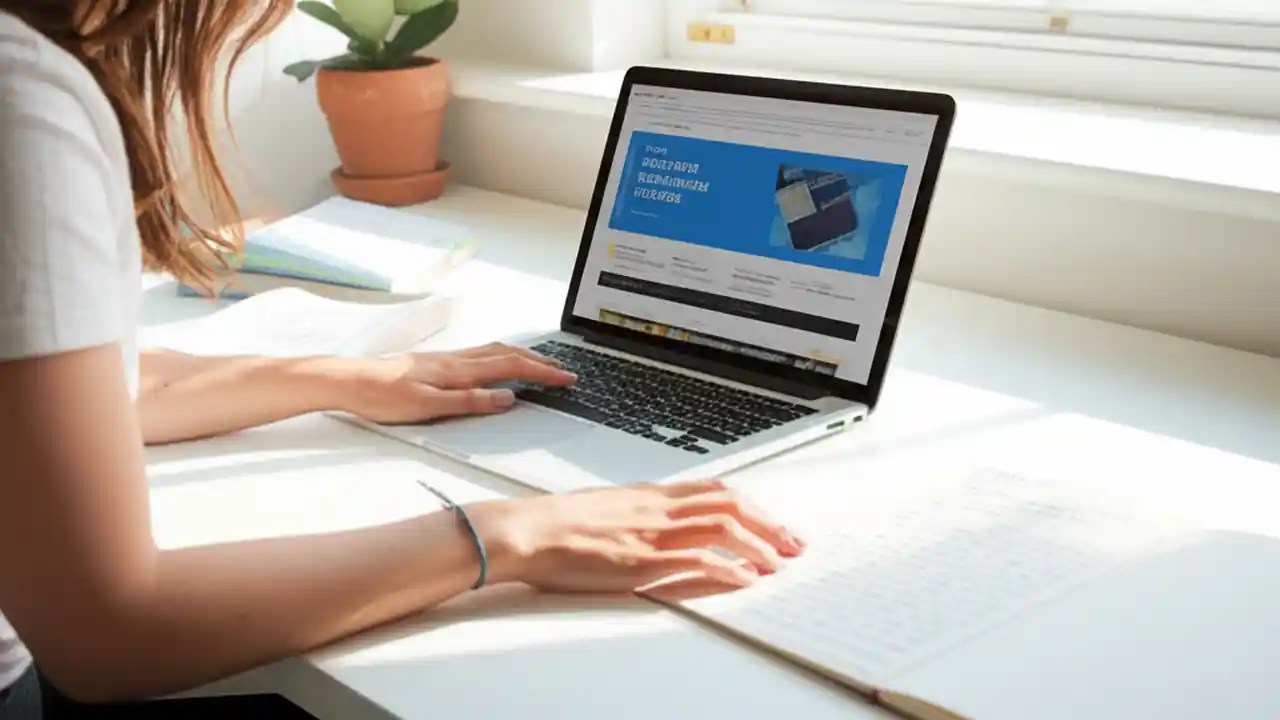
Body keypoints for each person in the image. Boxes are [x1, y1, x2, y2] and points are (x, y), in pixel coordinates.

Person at [0, 1, 805, 716]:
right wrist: (507, 534)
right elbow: (104, 630)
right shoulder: (22, 103)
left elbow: (104, 384)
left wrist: (342, 378)